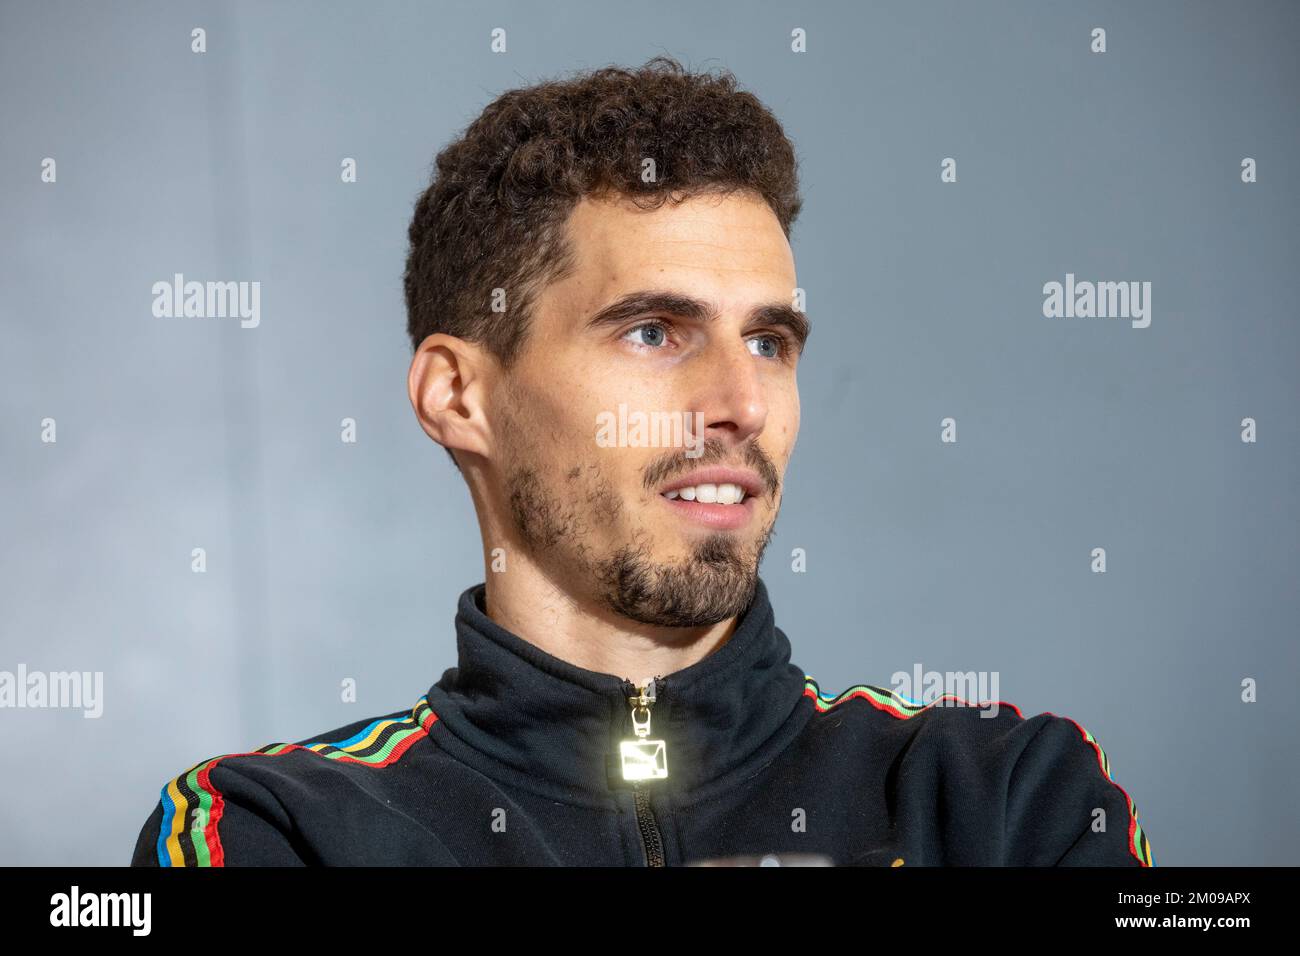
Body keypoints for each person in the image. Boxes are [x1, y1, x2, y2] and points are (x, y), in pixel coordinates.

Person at [131, 56, 1153, 867]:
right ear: (458, 396)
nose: (741, 404)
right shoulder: (275, 829)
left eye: (769, 341)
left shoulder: (1005, 796)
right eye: (655, 332)